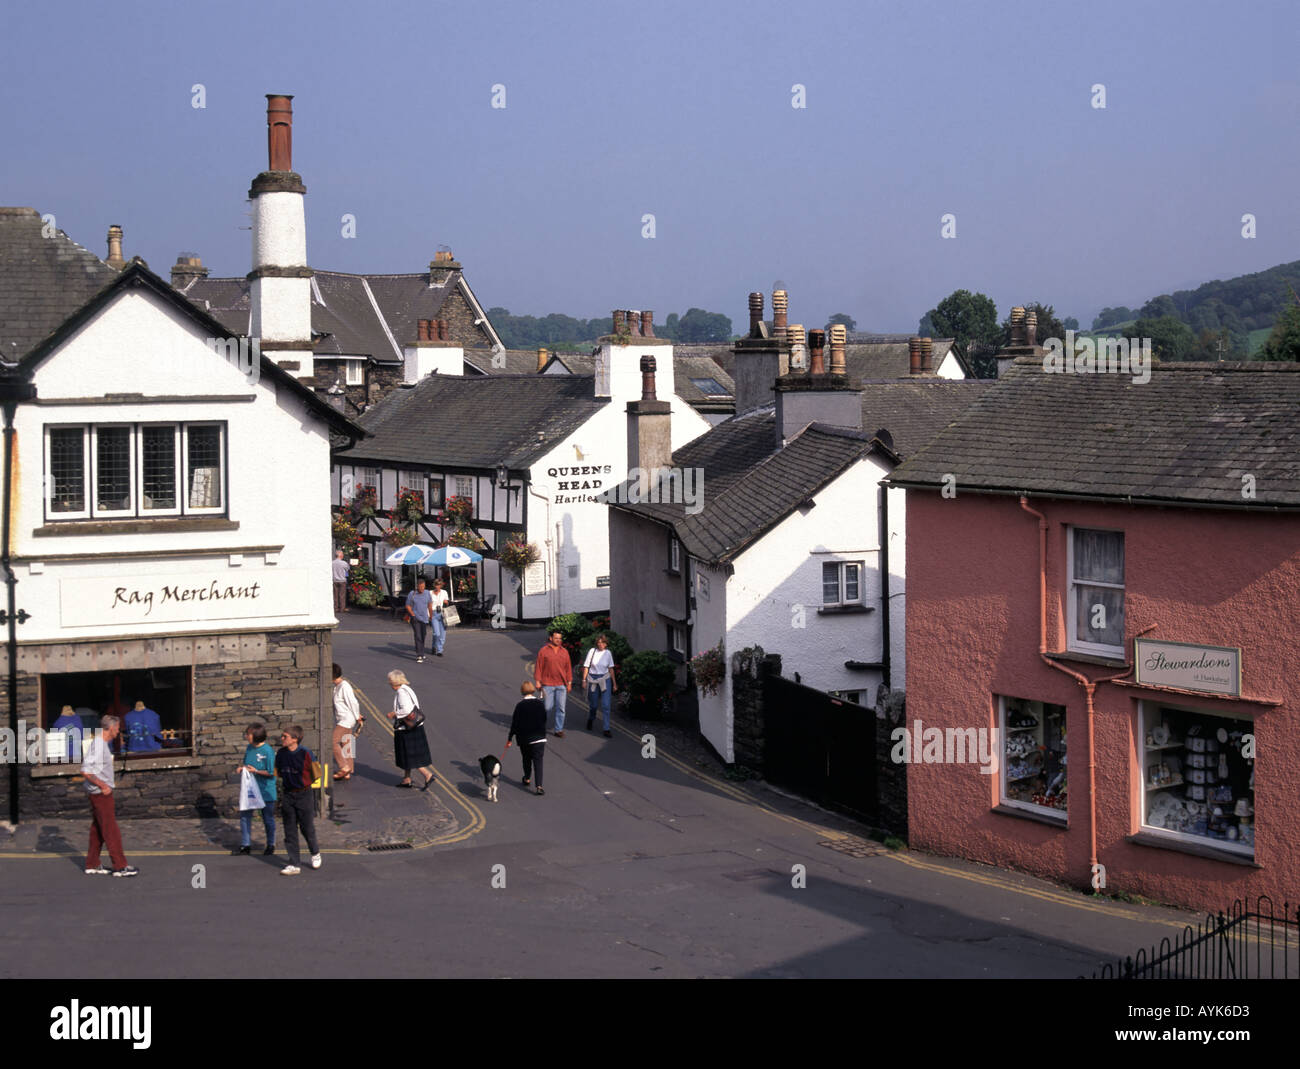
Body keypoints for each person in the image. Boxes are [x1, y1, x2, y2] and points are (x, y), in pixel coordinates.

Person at [82, 715, 137, 877]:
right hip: (101, 794)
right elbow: (86, 770)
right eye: (118, 728)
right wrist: (103, 785)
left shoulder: (101, 744)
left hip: (97, 793)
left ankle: (92, 864)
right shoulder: (99, 745)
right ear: (111, 728)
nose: (119, 731)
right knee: (110, 830)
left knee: (98, 829)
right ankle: (120, 866)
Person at [275, 725, 321, 875]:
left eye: (285, 736)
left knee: (306, 827)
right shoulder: (281, 753)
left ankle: (315, 852)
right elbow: (278, 772)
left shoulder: (306, 753)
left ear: (295, 739)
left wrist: (304, 784)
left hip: (304, 794)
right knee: (289, 830)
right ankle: (294, 863)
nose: (282, 738)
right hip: (288, 794)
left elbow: (317, 774)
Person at [386, 670, 435, 790]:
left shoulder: (401, 693)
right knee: (406, 755)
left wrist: (394, 714)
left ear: (394, 682)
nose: (389, 684)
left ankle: (427, 774)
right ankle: (406, 779)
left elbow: (407, 710)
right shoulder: (407, 689)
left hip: (407, 729)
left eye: (389, 681)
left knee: (409, 754)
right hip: (415, 726)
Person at [236, 722, 276, 855]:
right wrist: (242, 769)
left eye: (248, 734)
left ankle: (271, 844)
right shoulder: (249, 748)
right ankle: (245, 844)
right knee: (244, 816)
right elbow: (248, 764)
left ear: (255, 736)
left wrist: (257, 771)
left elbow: (271, 772)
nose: (246, 736)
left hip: (265, 790)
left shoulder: (267, 751)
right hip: (250, 789)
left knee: (267, 818)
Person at [507, 681, 547, 795]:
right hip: (539, 738)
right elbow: (544, 719)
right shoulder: (540, 704)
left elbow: (515, 723)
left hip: (525, 738)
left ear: (522, 691)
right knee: (538, 762)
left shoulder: (520, 706)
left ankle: (527, 778)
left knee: (526, 759)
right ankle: (539, 786)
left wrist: (510, 738)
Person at [536, 629, 573, 736]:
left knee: (561, 708)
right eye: (556, 638)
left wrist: (569, 683)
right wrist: (538, 681)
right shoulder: (543, 651)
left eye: (560, 638)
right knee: (547, 707)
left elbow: (568, 669)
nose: (558, 640)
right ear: (551, 638)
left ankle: (558, 730)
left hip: (561, 685)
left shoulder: (564, 652)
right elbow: (538, 666)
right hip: (547, 684)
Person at [582, 633, 619, 737]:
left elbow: (611, 669)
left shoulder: (608, 653)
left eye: (602, 643)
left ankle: (606, 729)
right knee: (593, 705)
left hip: (605, 679)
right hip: (593, 679)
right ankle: (591, 718)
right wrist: (584, 680)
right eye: (598, 643)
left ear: (606, 644)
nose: (600, 644)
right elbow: (586, 666)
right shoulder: (592, 651)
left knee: (606, 705)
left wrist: (614, 684)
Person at [331, 662, 363, 781]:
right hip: (343, 719)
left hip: (346, 719)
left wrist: (356, 716)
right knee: (347, 744)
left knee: (332, 742)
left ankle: (344, 767)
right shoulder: (337, 687)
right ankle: (349, 771)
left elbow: (353, 702)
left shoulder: (344, 686)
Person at [405, 577, 434, 663]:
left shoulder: (427, 593)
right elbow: (408, 605)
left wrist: (431, 616)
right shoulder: (412, 594)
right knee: (418, 635)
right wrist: (413, 614)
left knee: (423, 635)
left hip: (424, 618)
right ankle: (419, 655)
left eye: (423, 587)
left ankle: (421, 651)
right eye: (420, 587)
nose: (422, 588)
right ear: (417, 586)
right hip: (415, 618)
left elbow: (429, 605)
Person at [429, 578, 451, 657]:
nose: (438, 586)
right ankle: (434, 646)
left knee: (442, 633)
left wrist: (446, 602)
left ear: (441, 585)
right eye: (436, 584)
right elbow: (428, 605)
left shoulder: (444, 592)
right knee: (436, 633)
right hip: (434, 613)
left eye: (439, 585)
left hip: (442, 613)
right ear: (434, 585)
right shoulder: (430, 593)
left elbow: (447, 602)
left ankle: (439, 650)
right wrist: (429, 615)